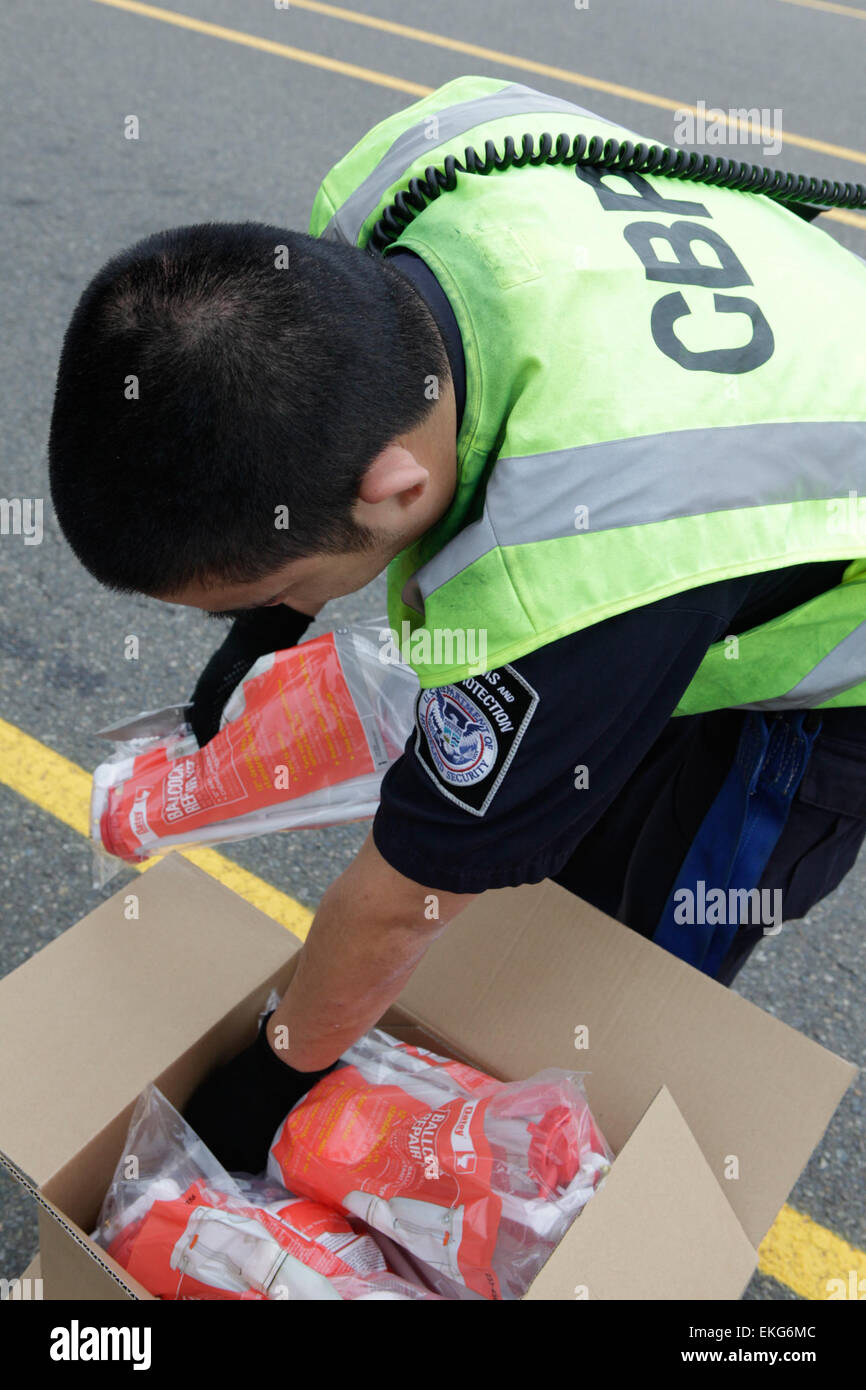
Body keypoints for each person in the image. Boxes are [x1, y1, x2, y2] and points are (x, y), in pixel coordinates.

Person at [47, 75, 866, 1174]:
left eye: (264, 592)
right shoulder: (421, 161)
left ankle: (589, 1201)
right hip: (762, 399)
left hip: (805, 641)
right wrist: (252, 646)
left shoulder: (568, 580)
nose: (267, 618)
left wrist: (272, 1079)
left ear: (389, 487)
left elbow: (397, 902)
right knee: (536, 834)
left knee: (631, 943)